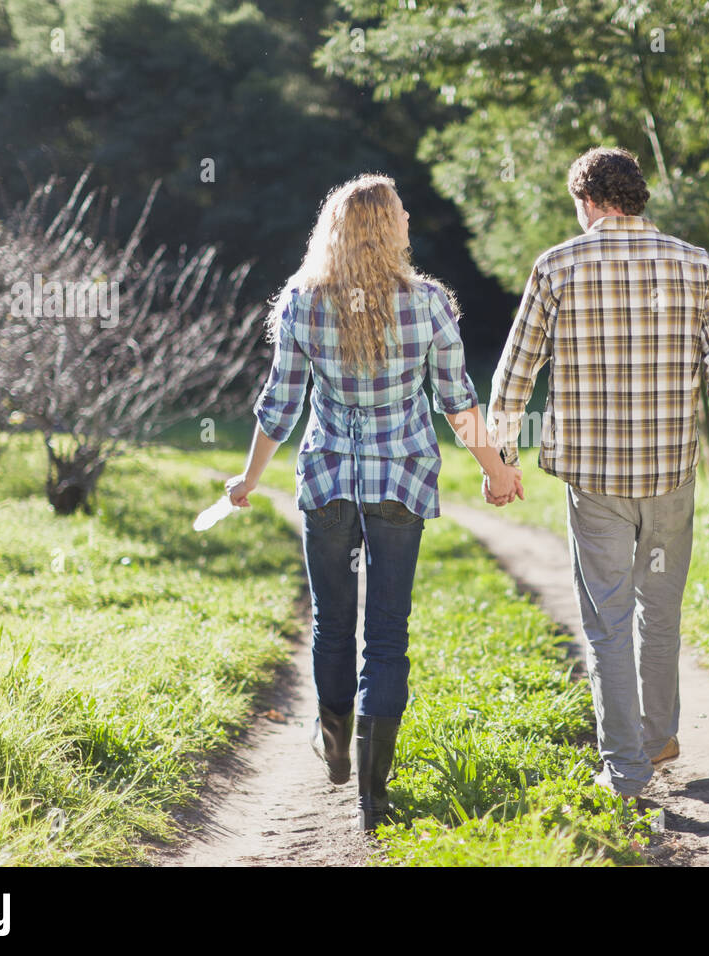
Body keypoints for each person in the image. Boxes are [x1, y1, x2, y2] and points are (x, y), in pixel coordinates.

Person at [224, 173, 523, 831]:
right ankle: (372, 792)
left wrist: (249, 479)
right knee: (386, 633)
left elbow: (282, 404)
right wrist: (497, 471)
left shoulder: (302, 304)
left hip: (328, 480)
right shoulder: (428, 304)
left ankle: (333, 746)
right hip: (402, 481)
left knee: (333, 621)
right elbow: (457, 402)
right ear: (394, 231)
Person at [487, 147, 709, 800]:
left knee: (607, 623)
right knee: (659, 614)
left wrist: (502, 457)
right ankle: (657, 736)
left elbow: (514, 373)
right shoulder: (694, 264)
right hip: (669, 477)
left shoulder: (558, 265)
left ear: (587, 201)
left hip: (595, 481)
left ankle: (627, 771)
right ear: (636, 198)